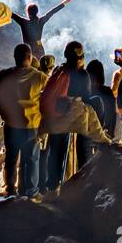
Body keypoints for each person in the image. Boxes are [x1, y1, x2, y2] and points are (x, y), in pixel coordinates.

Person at [41, 41, 104, 191]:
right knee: (84, 148)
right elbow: (87, 98)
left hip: (56, 116)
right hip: (74, 115)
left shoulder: (59, 70)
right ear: (81, 56)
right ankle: (82, 185)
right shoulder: (82, 74)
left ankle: (52, 186)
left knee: (55, 152)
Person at [0, 43, 47, 196]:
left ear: (14, 58)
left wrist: (0, 110)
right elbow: (53, 94)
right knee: (31, 160)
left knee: (11, 158)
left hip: (11, 124)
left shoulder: (5, 75)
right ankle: (30, 192)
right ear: (30, 57)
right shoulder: (39, 76)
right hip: (32, 125)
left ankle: (10, 189)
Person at [78, 59, 117, 165]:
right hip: (105, 133)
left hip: (88, 134)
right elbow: (113, 113)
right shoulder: (107, 91)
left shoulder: (85, 92)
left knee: (86, 165)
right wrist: (111, 132)